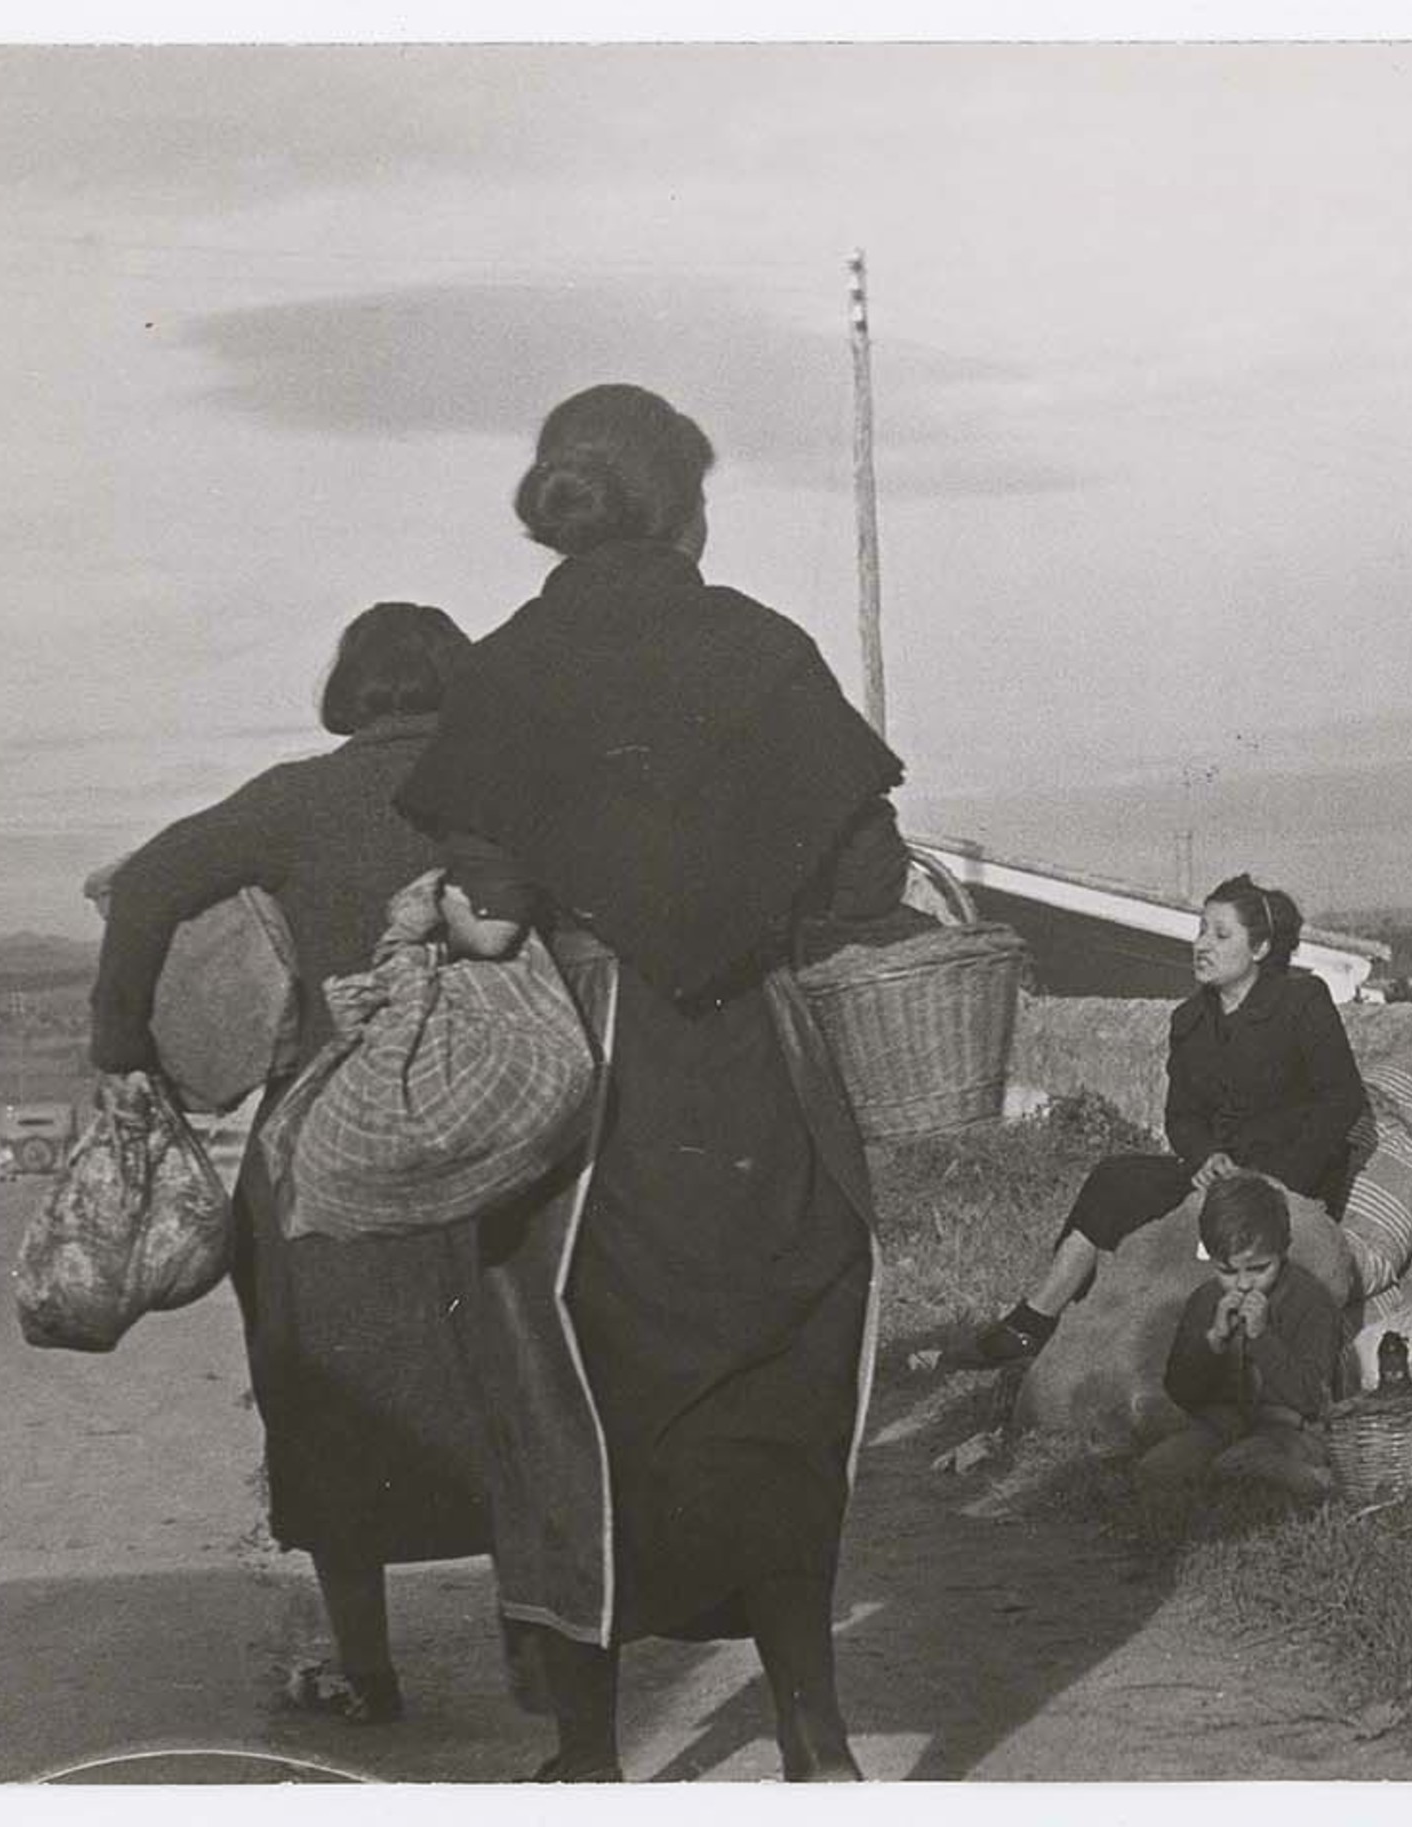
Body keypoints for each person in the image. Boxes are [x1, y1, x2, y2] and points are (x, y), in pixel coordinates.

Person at [394, 382, 909, 1782]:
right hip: (755, 1069)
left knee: (573, 1390)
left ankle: (587, 1758)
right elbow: (868, 870)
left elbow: (490, 908)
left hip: (588, 1091)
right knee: (776, 1380)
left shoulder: (501, 672)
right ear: (680, 503)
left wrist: (473, 909)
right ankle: (815, 1732)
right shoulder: (759, 646)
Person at [88, 601, 488, 1726]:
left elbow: (152, 882)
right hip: (496, 1117)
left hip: (325, 1130)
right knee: (509, 1372)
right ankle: (542, 1642)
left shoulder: (296, 798)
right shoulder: (503, 791)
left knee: (325, 1388)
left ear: (350, 693)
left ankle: (368, 1671)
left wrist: (121, 1047)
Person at [953, 874, 1368, 1368]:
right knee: (1115, 1180)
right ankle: (1035, 1321)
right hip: (1220, 1172)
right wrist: (1204, 1156)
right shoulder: (1191, 1020)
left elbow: (1341, 1100)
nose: (1201, 946)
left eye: (1220, 935)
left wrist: (1276, 1178)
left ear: (1258, 949)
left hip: (1291, 1174)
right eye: (1199, 931)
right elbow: (1182, 1116)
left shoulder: (1301, 1002)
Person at [1137, 1172, 1340, 1497]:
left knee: (1239, 1467)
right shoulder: (1206, 1299)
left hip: (1291, 1429)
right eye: (1228, 1271)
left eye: (1259, 1269)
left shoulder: (1310, 1300)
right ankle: (1228, 1479)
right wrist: (1213, 1340)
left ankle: (1317, 1481)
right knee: (1156, 1470)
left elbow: (1312, 1398)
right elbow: (1181, 1392)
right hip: (1221, 1425)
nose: (1244, 1284)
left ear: (1283, 1250)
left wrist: (1261, 1337)